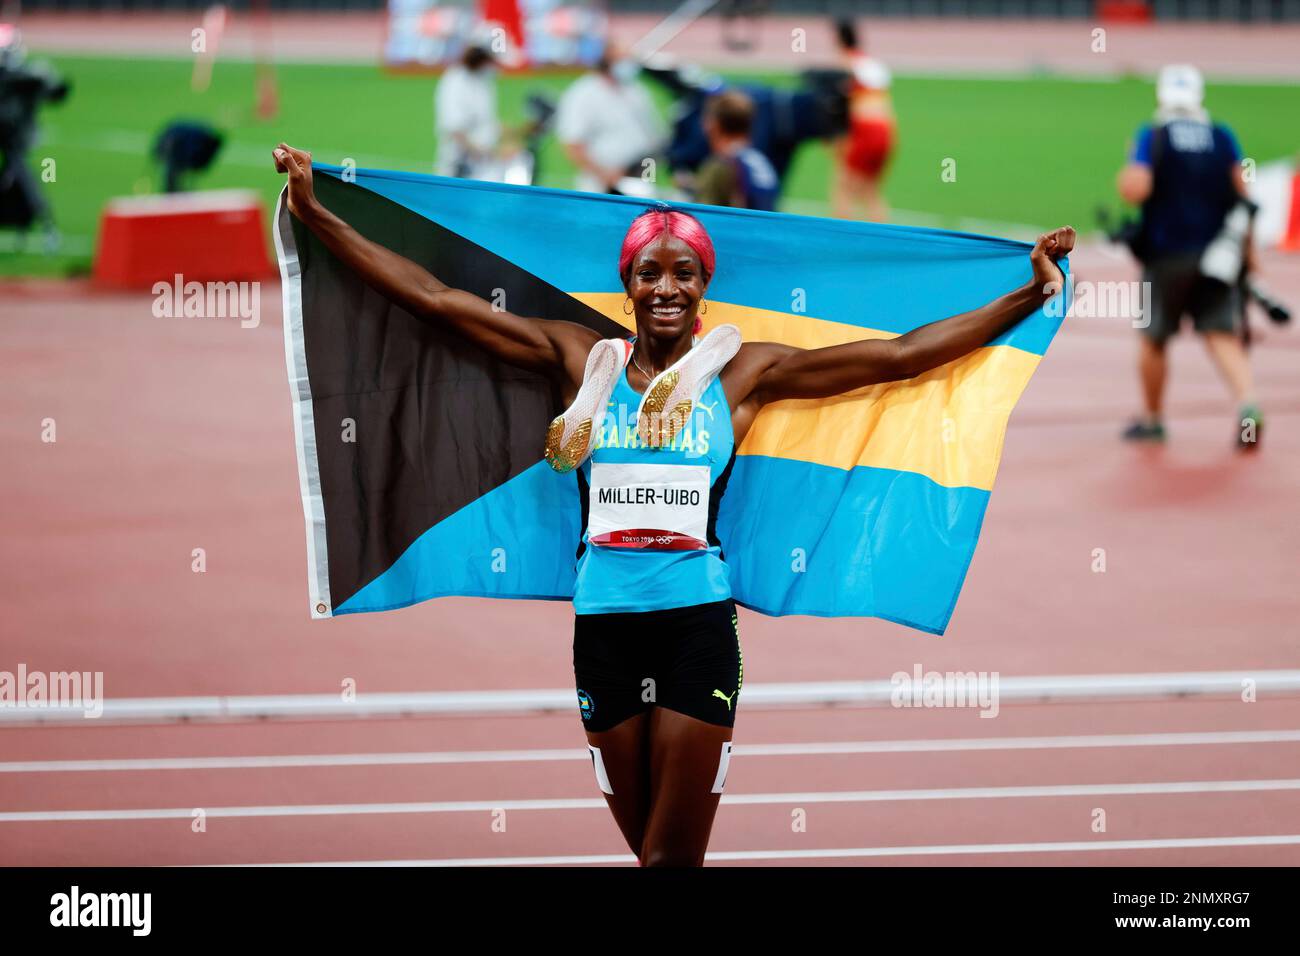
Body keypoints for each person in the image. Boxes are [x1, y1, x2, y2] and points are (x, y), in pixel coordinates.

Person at [273, 141, 1074, 866]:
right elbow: (436, 299)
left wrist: (1027, 296)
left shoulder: (742, 375)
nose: (666, 287)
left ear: (703, 287)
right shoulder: (579, 358)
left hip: (696, 630)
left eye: (682, 273)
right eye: (649, 273)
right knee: (658, 860)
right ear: (627, 285)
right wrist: (315, 213)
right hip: (604, 632)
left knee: (666, 862)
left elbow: (898, 357)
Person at [1116, 64, 1263, 450]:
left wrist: (1129, 169)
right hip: (1218, 256)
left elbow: (1137, 189)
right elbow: (1244, 197)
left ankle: (1152, 419)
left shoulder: (1154, 136)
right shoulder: (1221, 136)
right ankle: (1248, 405)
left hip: (1166, 256)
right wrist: (1249, 254)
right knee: (1221, 334)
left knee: (1153, 339)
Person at [554, 44, 666, 195]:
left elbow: (654, 136)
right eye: (623, 59)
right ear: (607, 62)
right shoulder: (583, 94)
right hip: (602, 182)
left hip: (641, 174)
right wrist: (605, 175)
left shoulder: (636, 90)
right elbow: (573, 144)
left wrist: (649, 170)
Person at [831, 18, 894, 223]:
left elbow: (837, 103)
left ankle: (840, 239)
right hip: (886, 130)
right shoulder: (870, 63)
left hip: (866, 130)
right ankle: (883, 239)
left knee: (843, 187)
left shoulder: (844, 63)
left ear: (838, 39)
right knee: (869, 190)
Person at [692, 89, 779, 211]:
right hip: (763, 229)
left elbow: (704, 217)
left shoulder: (720, 165)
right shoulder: (760, 160)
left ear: (714, 125)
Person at [433, 43, 501, 180]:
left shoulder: (484, 81)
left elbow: (486, 120)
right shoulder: (454, 82)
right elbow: (454, 128)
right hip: (459, 163)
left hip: (485, 162)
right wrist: (482, 152)